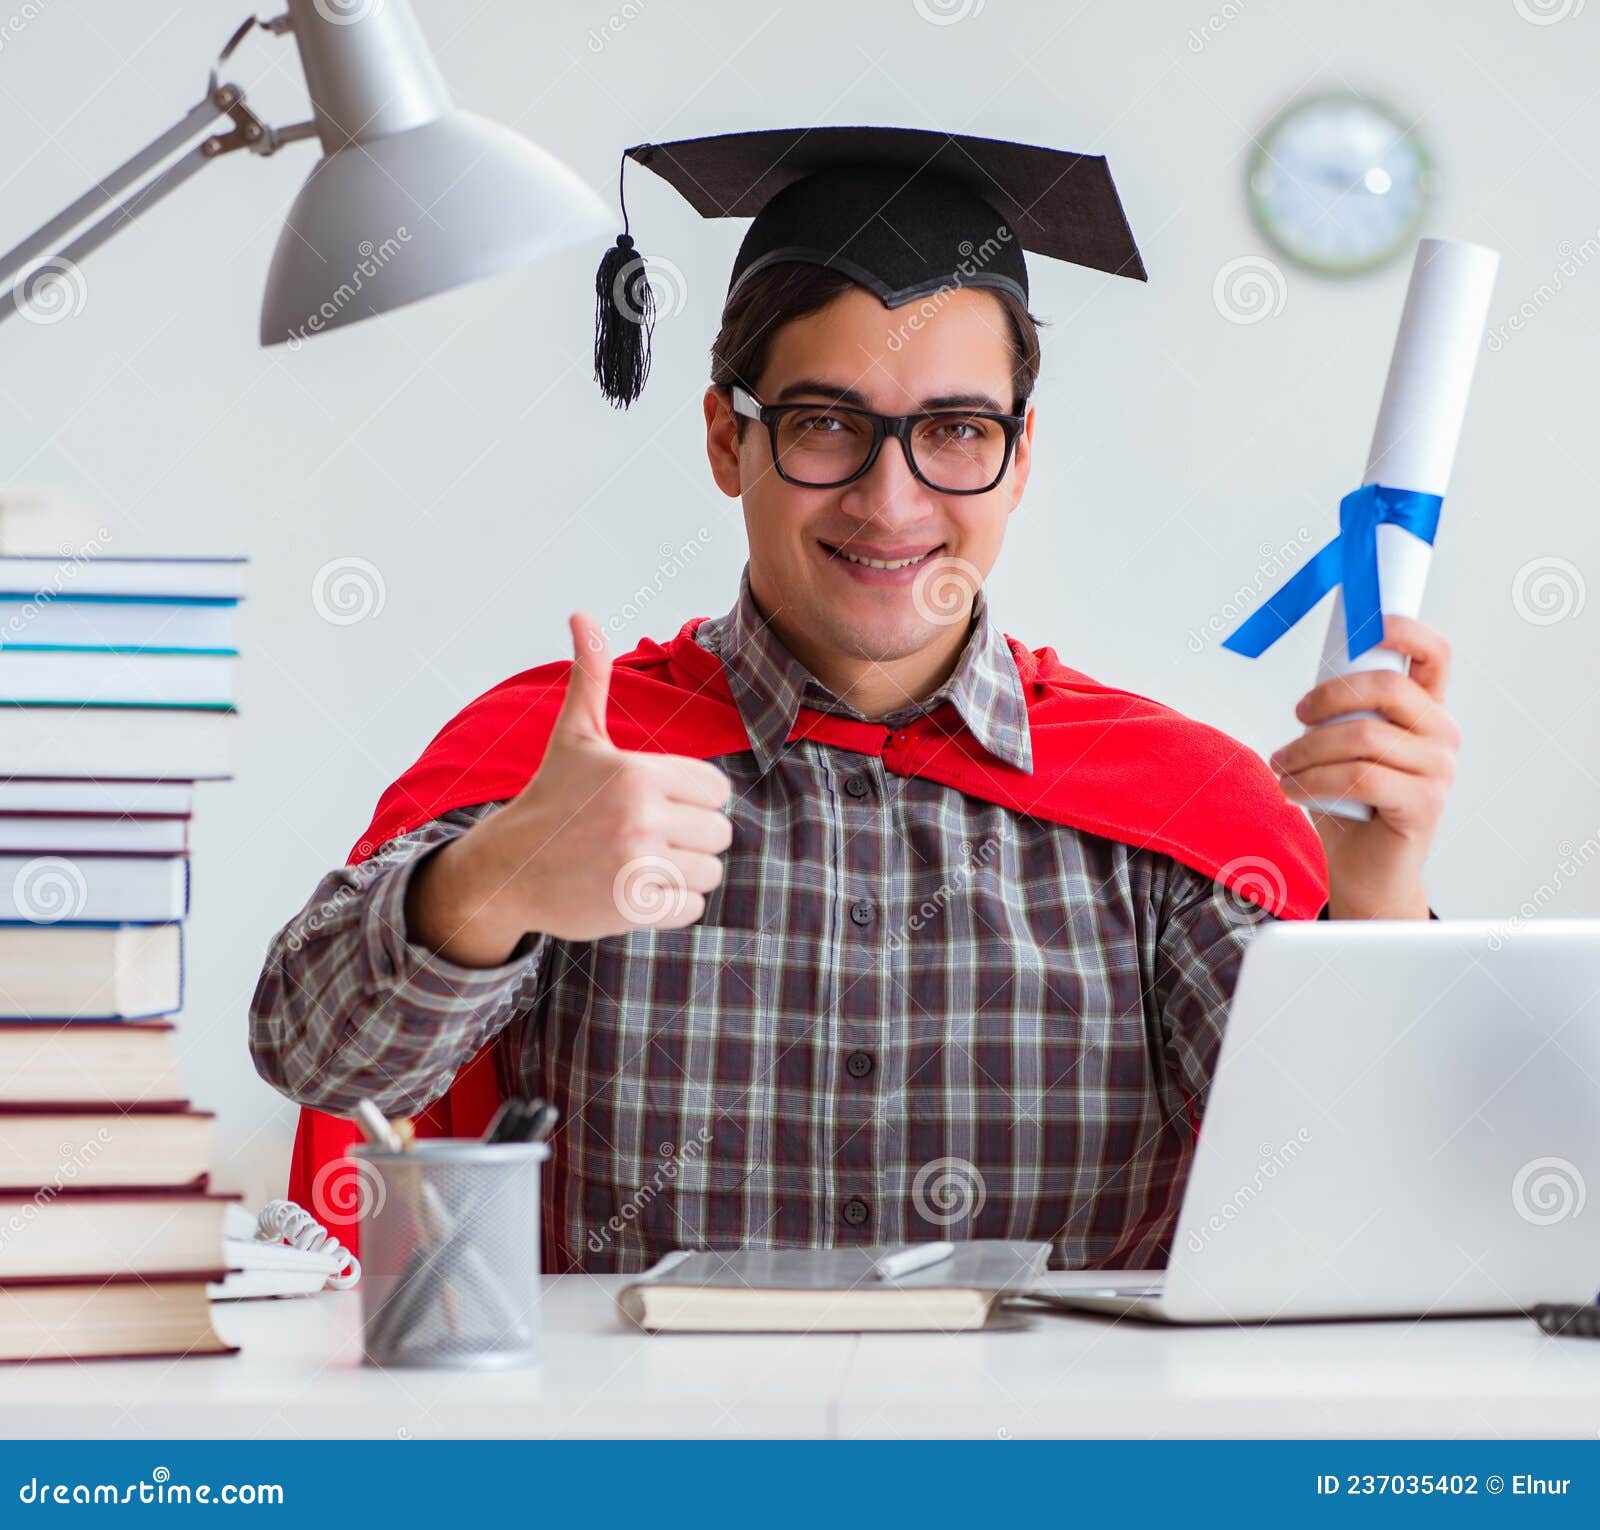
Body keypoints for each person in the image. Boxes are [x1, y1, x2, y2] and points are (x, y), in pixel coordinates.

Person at [249, 127, 1456, 1272]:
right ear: (727, 439)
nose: (891, 502)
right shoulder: (575, 770)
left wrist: (1376, 909)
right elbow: (315, 1061)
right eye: (827, 425)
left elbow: (1362, 1198)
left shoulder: (1179, 813)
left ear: (1019, 458)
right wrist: (496, 880)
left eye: (955, 430)